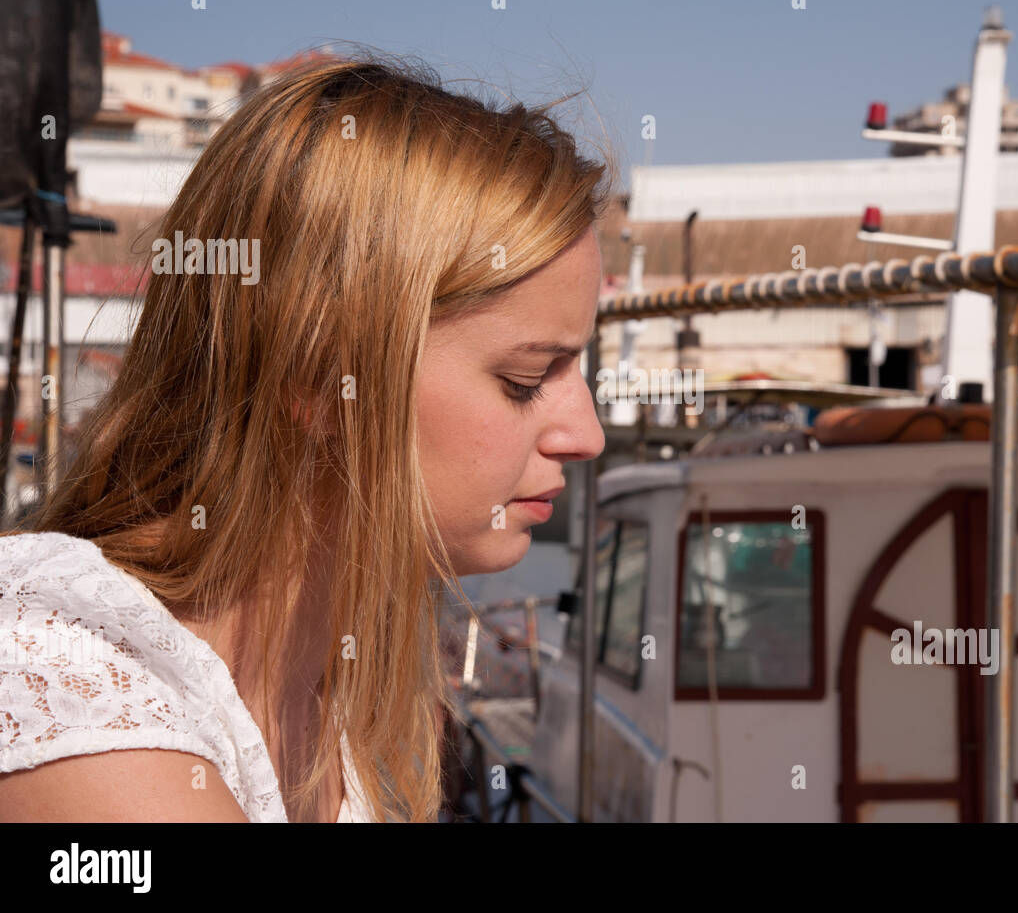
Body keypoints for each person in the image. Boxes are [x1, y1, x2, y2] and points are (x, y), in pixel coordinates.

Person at [0, 55, 611, 821]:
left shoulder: (325, 695)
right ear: (320, 377)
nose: (586, 435)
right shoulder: (67, 677)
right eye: (526, 377)